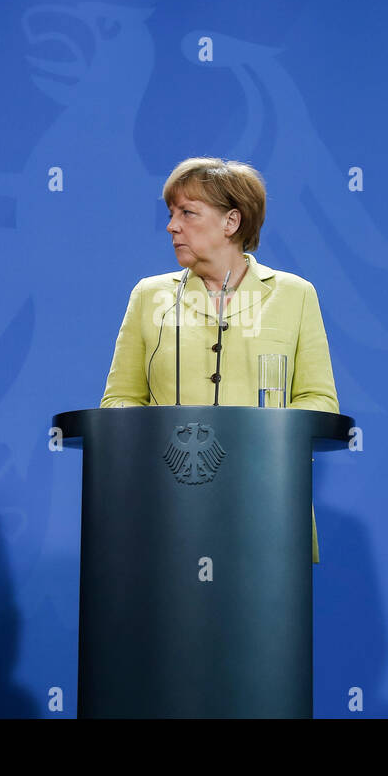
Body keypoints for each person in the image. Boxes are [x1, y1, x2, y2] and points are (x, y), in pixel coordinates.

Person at [100, 157, 339, 558]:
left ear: (231, 222)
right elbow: (117, 401)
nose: (171, 226)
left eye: (188, 213)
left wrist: (257, 435)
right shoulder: (149, 295)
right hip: (166, 508)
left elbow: (320, 402)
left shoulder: (295, 294)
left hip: (266, 508)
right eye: (171, 213)